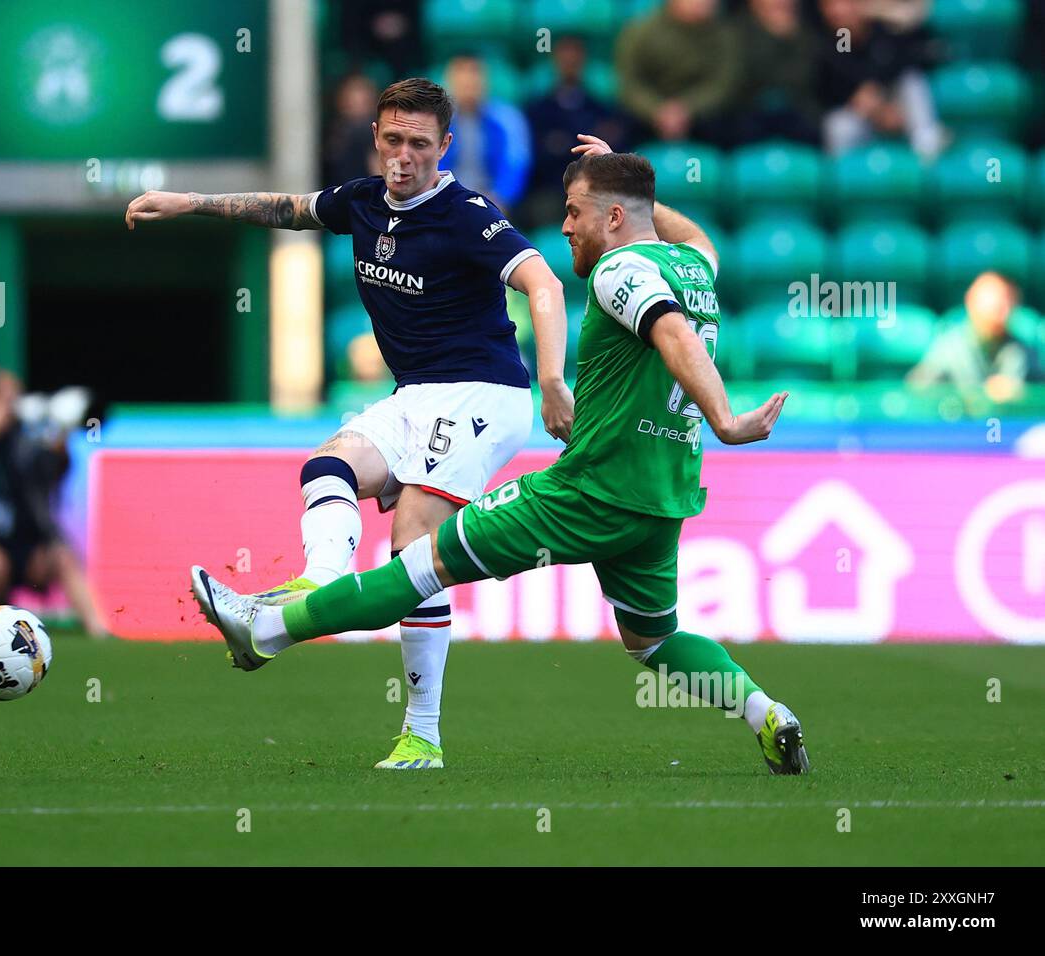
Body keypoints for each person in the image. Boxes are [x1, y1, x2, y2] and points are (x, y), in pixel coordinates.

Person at [192, 138, 810, 777]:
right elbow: (692, 241)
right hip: (662, 498)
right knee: (653, 639)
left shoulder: (619, 272)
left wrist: (727, 423)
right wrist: (624, 178)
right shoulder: (693, 268)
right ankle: (766, 712)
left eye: (575, 211)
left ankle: (265, 631)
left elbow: (673, 334)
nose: (566, 225)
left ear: (615, 218)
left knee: (420, 563)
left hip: (587, 491)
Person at [127, 77, 574, 769]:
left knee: (410, 550)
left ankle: (421, 734)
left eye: (419, 144)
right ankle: (314, 586)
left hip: (484, 394)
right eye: (392, 139)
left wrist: (551, 379)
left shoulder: (468, 214)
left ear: (444, 146)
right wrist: (190, 202)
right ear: (375, 138)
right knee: (326, 467)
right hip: (416, 392)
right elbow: (284, 208)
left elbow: (543, 283)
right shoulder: (362, 203)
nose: (404, 156)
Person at [0, 369, 107, 637]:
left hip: (25, 546)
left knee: (62, 556)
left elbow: (53, 473)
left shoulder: (23, 443)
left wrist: (61, 435)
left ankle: (98, 628)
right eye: (5, 400)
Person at [522, 35, 635, 226]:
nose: (570, 61)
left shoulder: (601, 109)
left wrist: (562, 144)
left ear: (583, 60)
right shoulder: (537, 111)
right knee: (542, 209)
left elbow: (616, 149)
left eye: (575, 55)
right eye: (565, 56)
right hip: (552, 188)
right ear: (555, 60)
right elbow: (535, 156)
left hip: (594, 188)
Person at [815, 0, 945, 159]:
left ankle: (929, 156)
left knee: (911, 81)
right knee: (839, 126)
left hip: (896, 107)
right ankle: (845, 177)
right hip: (861, 115)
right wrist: (875, 108)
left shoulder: (882, 31)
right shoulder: (840, 38)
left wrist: (881, 99)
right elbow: (842, 79)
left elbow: (909, 59)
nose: (837, 11)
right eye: (830, 6)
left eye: (844, 3)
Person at [615, 0, 740, 145]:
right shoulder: (640, 31)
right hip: (646, 116)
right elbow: (629, 83)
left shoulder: (726, 35)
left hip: (703, 117)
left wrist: (687, 109)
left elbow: (723, 84)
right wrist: (656, 110)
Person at [907, 272, 1035, 407]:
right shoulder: (950, 347)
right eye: (995, 305)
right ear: (971, 301)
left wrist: (1022, 394)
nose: (1002, 312)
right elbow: (917, 390)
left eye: (1008, 303)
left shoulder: (1022, 350)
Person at [439, 55, 532, 211]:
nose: (468, 85)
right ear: (450, 82)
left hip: (493, 202)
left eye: (474, 78)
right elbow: (431, 163)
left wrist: (499, 198)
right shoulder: (437, 120)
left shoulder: (508, 118)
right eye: (462, 81)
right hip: (444, 199)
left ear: (485, 81)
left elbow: (516, 164)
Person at [730, 0, 821, 145]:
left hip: (798, 111)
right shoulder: (736, 31)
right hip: (748, 112)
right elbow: (746, 78)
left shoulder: (807, 33)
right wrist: (773, 38)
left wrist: (790, 40)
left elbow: (804, 78)